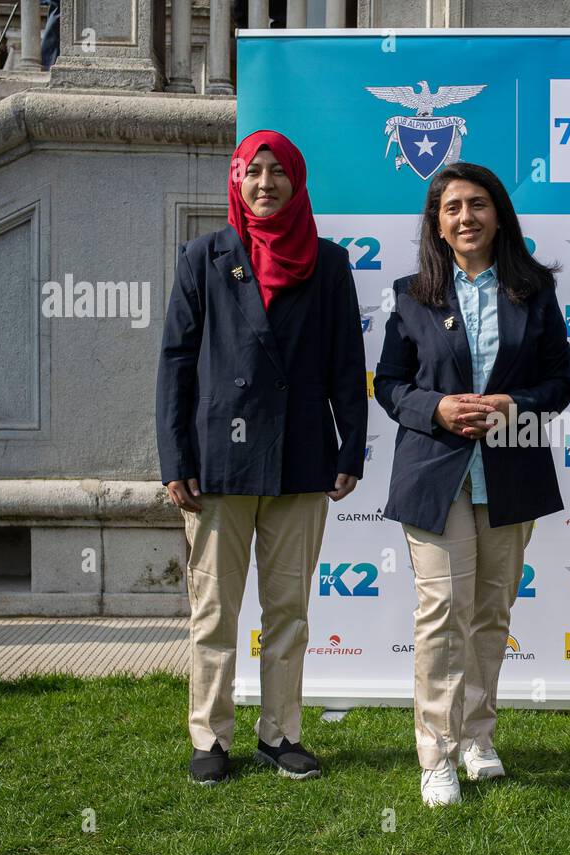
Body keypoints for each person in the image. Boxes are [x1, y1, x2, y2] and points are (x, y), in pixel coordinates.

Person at [156, 130, 368, 786]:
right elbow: (176, 363)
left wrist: (350, 448)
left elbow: (346, 366)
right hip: (219, 461)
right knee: (215, 610)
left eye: (278, 172)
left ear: (297, 181)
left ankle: (281, 735)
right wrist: (174, 458)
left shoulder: (329, 264)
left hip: (302, 458)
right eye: (253, 171)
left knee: (288, 610)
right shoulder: (203, 257)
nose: (265, 183)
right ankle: (210, 738)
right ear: (237, 180)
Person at [374, 162, 570, 808]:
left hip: (509, 473)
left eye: (478, 204)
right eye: (452, 207)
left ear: (498, 214)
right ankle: (435, 754)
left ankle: (477, 738)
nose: (466, 217)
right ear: (437, 223)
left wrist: (517, 404)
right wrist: (433, 409)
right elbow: (389, 385)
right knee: (441, 615)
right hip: (436, 476)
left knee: (490, 614)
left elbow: (559, 383)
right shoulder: (410, 295)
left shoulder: (534, 290)